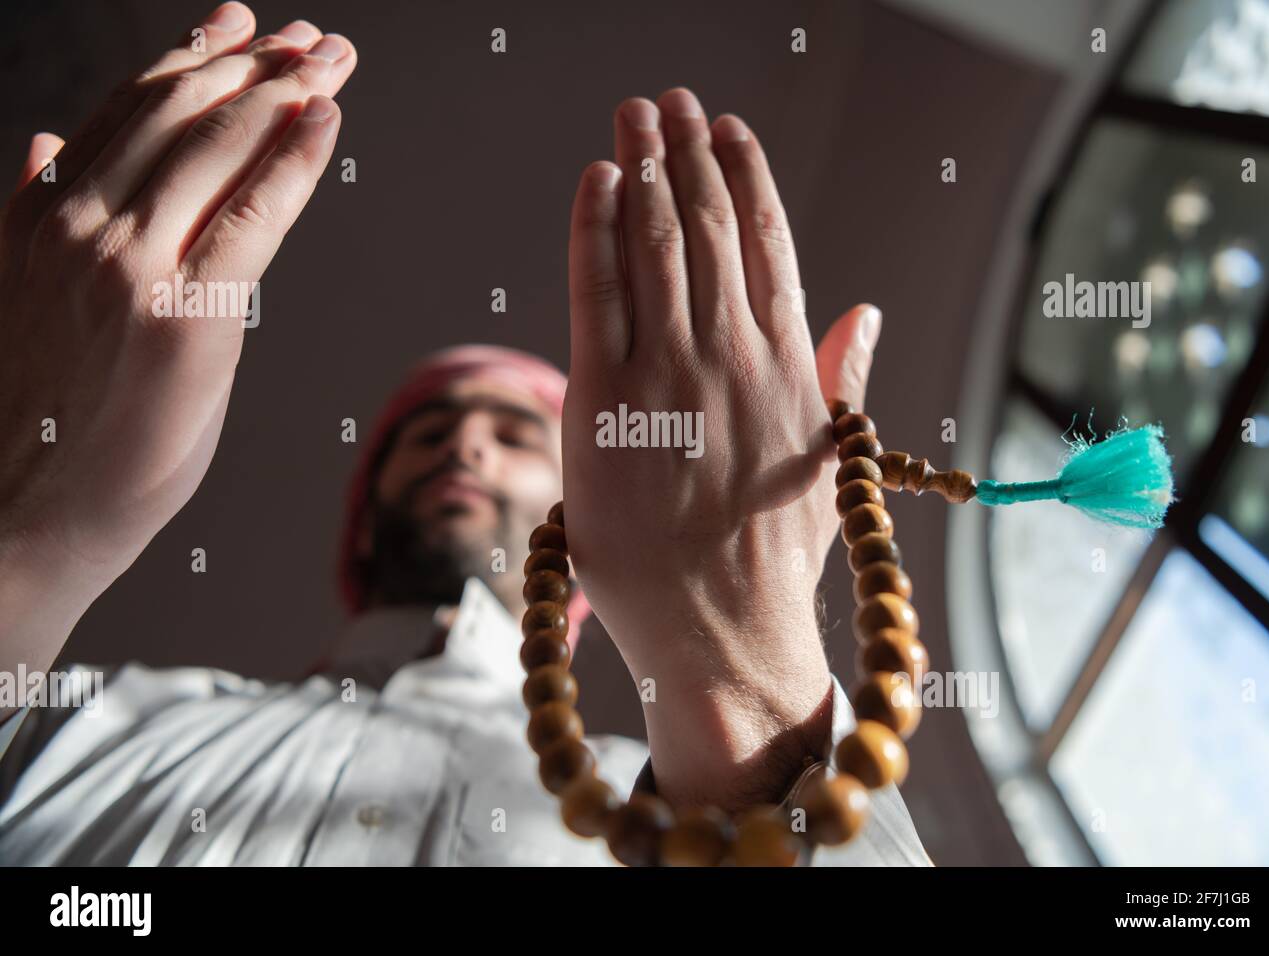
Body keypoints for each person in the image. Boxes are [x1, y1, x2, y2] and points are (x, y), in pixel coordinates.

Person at [0, 3, 929, 865]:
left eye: (516, 435)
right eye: (431, 430)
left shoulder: (652, 817)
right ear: (360, 522)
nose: (466, 449)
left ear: (596, 522)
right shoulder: (87, 723)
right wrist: (29, 527)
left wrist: (743, 665)